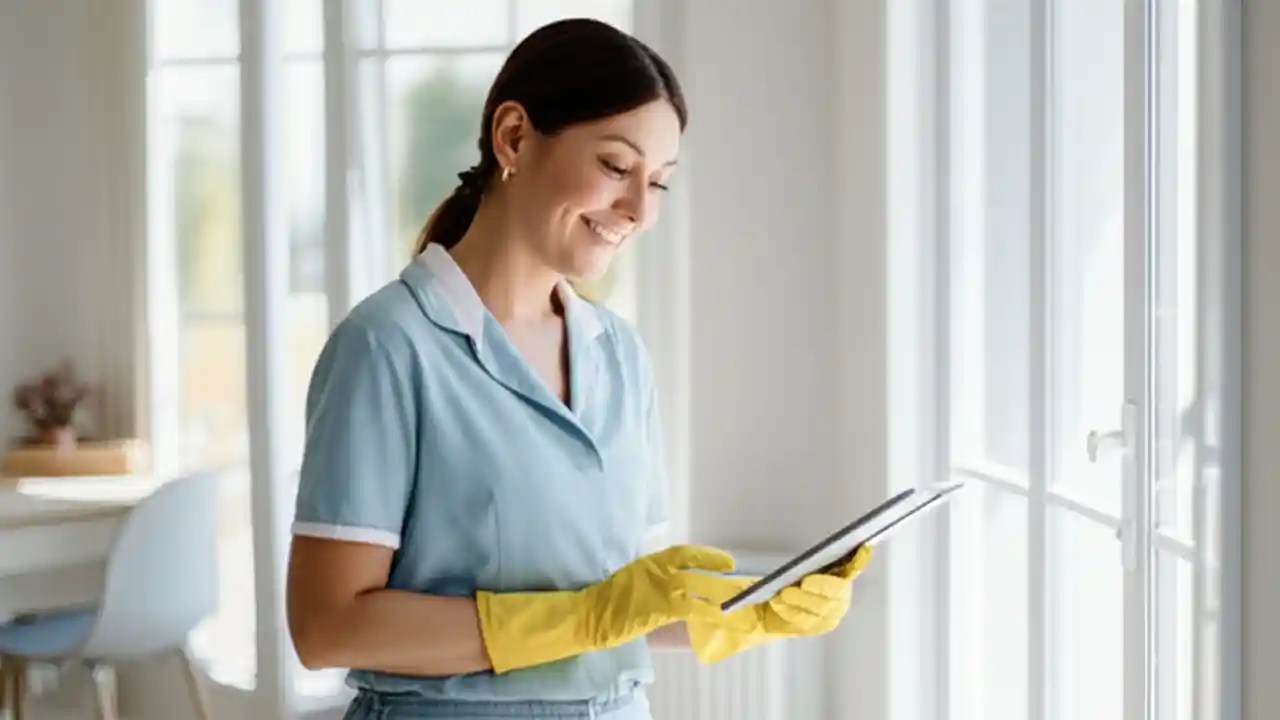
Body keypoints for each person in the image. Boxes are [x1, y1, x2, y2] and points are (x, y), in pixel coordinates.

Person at [285, 18, 871, 720]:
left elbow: (620, 610)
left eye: (659, 183)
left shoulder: (616, 354)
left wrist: (750, 610)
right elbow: (326, 628)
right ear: (513, 137)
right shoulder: (387, 348)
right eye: (617, 168)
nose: (638, 210)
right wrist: (589, 616)